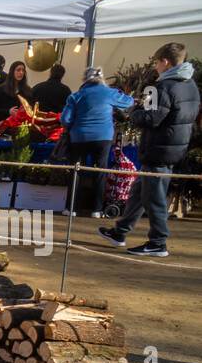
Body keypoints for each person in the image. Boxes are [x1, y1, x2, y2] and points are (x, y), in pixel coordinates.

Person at [99, 43, 200, 257]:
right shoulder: (190, 85)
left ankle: (158, 241)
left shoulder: (160, 87)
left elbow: (151, 119)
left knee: (154, 197)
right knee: (139, 191)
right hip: (175, 146)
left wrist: (131, 112)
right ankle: (120, 231)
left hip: (158, 148)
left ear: (165, 62)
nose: (155, 67)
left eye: (156, 62)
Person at [60, 67, 134, 217]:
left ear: (84, 80)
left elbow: (65, 119)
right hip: (103, 137)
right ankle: (97, 209)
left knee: (76, 171)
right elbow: (129, 102)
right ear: (102, 79)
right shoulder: (110, 93)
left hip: (79, 138)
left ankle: (71, 209)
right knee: (101, 172)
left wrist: (75, 125)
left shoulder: (76, 96)